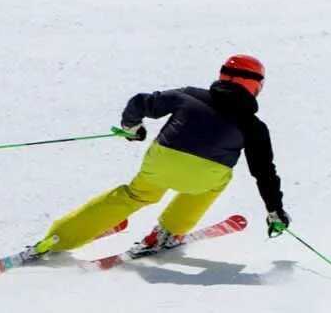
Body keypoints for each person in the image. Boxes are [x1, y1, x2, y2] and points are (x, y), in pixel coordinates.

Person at [17, 54, 287, 263]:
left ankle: (57, 238)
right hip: (204, 178)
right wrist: (274, 210)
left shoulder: (189, 95)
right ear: (255, 86)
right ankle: (169, 231)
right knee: (218, 180)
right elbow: (264, 172)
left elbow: (140, 102)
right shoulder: (254, 127)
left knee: (134, 195)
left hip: (160, 164)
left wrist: (132, 128)